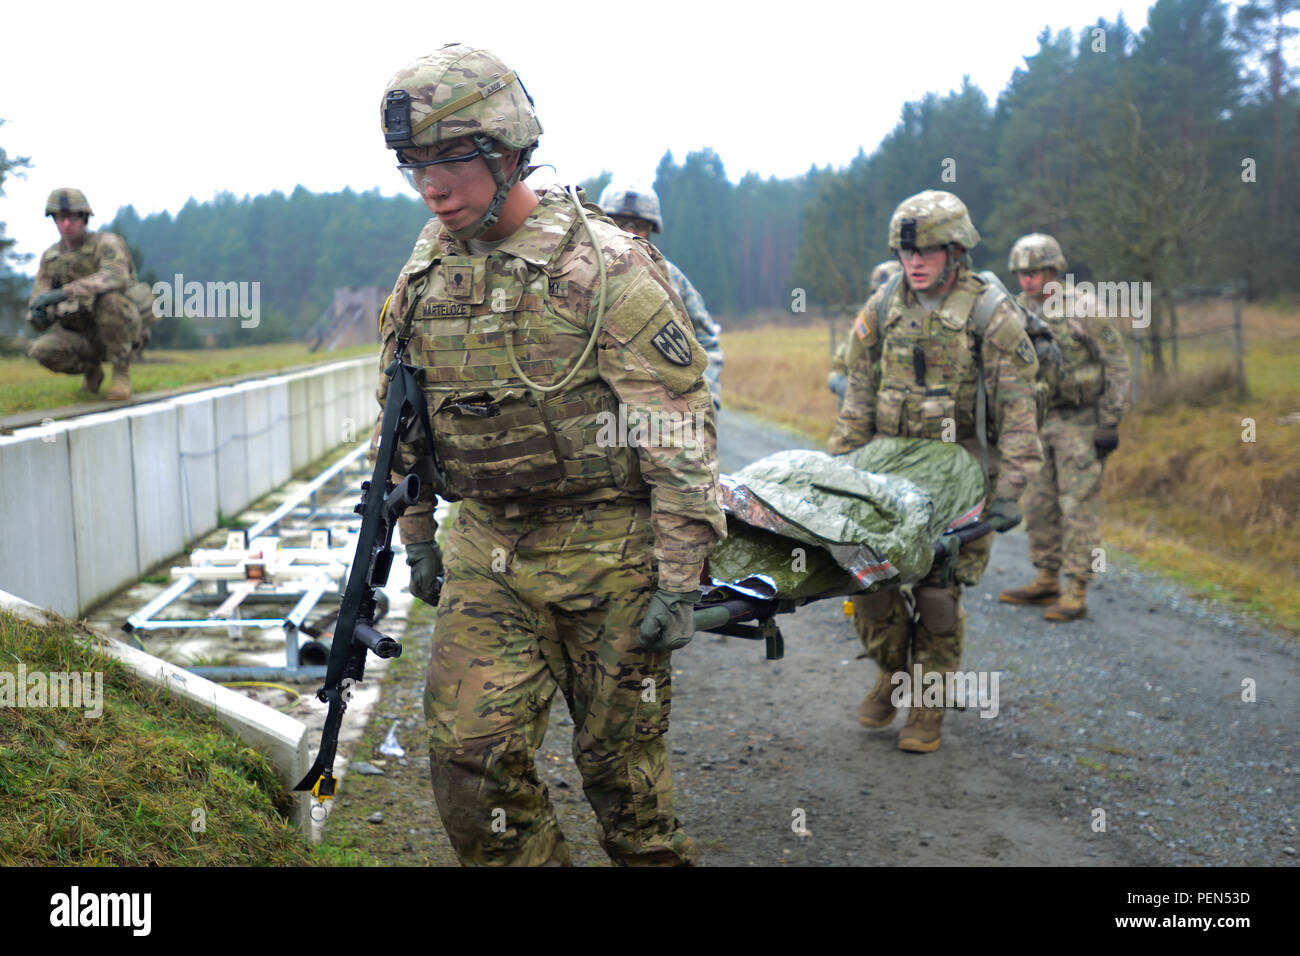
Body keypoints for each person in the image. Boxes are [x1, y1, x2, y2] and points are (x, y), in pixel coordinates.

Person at [376, 44, 725, 866]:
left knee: (623, 785)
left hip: (612, 555)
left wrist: (680, 578)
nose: (431, 185)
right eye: (412, 163)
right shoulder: (424, 273)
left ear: (507, 150)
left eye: (451, 159)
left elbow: (677, 431)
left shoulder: (602, 267)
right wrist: (418, 534)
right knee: (467, 760)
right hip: (490, 552)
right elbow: (399, 420)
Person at [828, 190, 1041, 753]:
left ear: (955, 249)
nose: (914, 262)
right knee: (871, 587)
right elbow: (858, 396)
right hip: (888, 472)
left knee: (938, 595)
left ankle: (927, 707)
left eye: (925, 251)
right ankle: (893, 673)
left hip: (959, 476)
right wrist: (838, 472)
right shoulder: (883, 306)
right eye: (905, 253)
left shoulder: (990, 313)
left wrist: (1011, 489)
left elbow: (1019, 411)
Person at [998, 233, 1131, 621]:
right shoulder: (1015, 311)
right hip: (1038, 420)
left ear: (1054, 270)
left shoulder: (1084, 306)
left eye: (1035, 272)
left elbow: (1117, 364)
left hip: (1080, 419)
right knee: (1039, 504)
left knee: (1077, 505)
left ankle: (1076, 588)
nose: (1027, 280)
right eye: (1021, 273)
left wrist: (1110, 421)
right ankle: (1045, 577)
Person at [598, 181, 724, 409]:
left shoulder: (672, 279)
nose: (629, 231)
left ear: (651, 230)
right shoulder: (583, 275)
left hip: (662, 413)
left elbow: (706, 342)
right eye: (618, 222)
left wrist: (708, 401)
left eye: (639, 224)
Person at [26, 188, 142, 401]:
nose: (66, 224)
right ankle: (92, 370)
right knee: (42, 350)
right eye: (60, 218)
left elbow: (116, 276)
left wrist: (64, 292)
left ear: (85, 218)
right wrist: (39, 315)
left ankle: (121, 372)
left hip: (118, 329)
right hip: (78, 334)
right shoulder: (51, 257)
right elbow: (39, 298)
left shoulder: (106, 243)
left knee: (110, 301)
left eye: (72, 218)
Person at [828, 259, 901, 404]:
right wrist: (844, 387)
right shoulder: (865, 321)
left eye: (888, 293)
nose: (883, 299)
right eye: (878, 293)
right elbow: (843, 362)